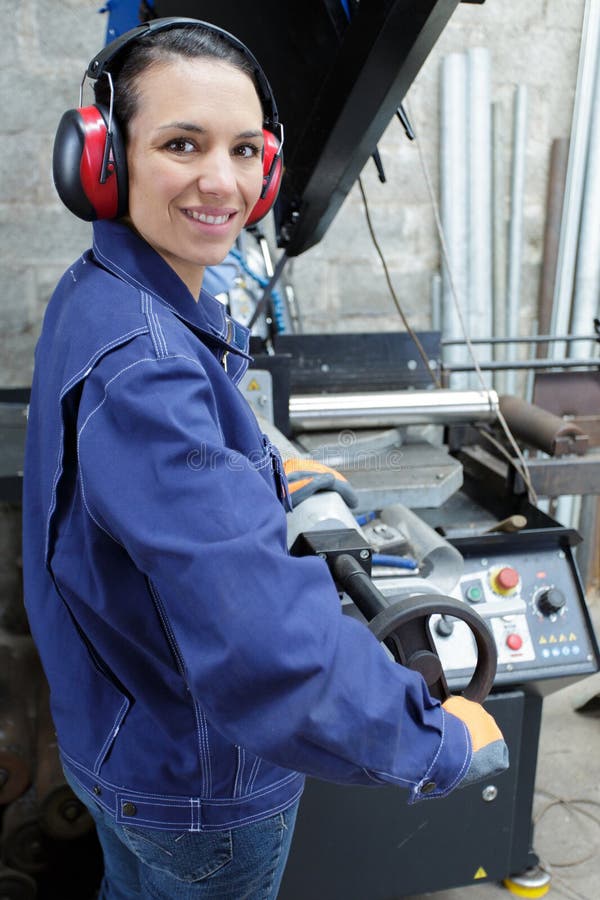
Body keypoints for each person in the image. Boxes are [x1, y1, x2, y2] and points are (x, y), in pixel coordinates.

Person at [22, 17, 507, 900]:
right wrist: (433, 739)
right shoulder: (150, 371)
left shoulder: (104, 296)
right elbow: (267, 648)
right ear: (103, 162)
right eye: (181, 144)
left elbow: (136, 492)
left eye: (246, 150)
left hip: (117, 741)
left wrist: (259, 473)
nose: (223, 181)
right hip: (197, 787)